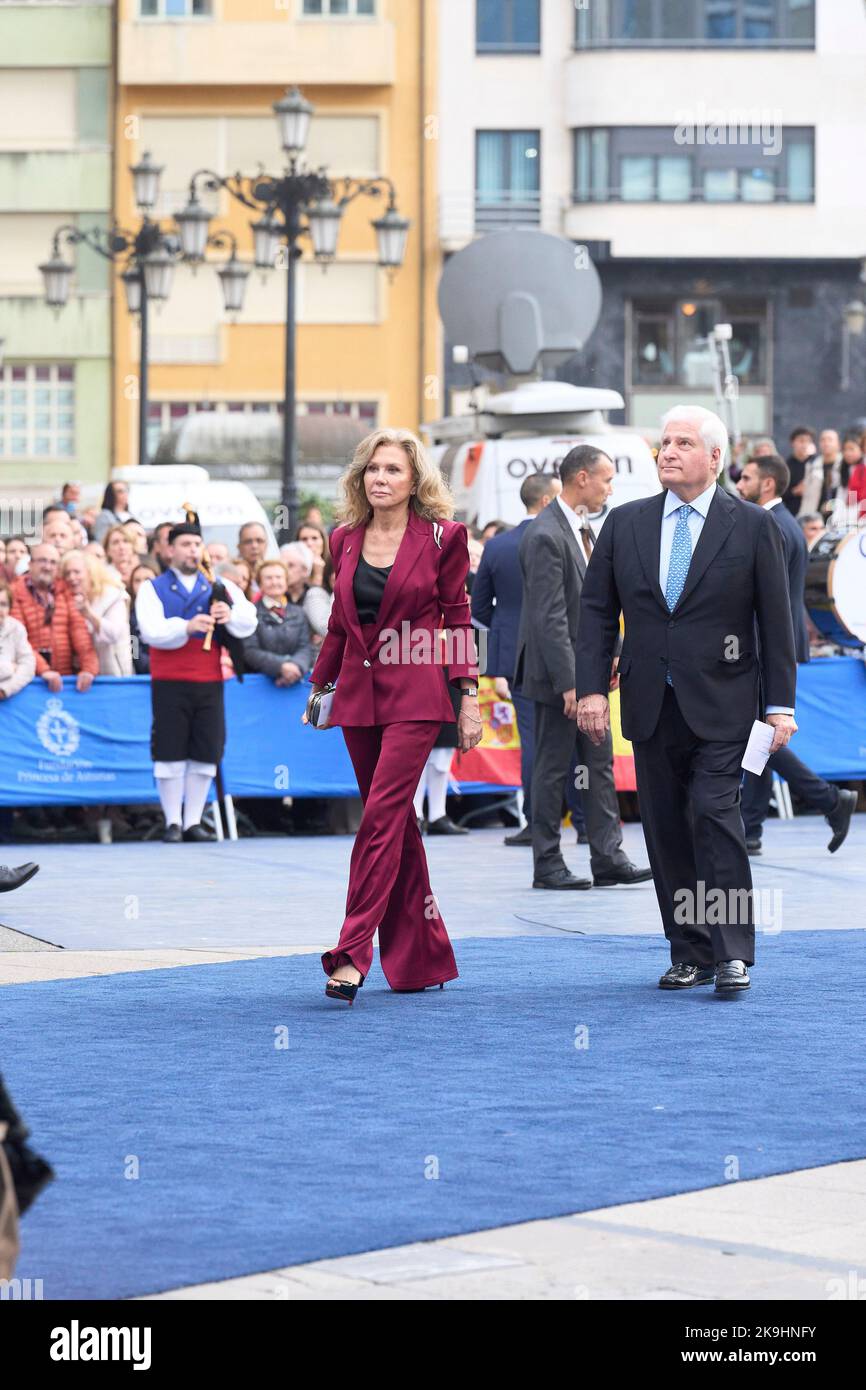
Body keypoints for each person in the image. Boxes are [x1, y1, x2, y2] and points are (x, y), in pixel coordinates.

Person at [576, 405, 797, 994]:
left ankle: (731, 951)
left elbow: (776, 624)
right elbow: (596, 614)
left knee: (714, 815)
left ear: (715, 457)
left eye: (682, 443)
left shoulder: (751, 526)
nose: (667, 452)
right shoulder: (624, 524)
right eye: (663, 442)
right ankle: (690, 950)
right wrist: (593, 688)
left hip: (726, 706)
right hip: (650, 704)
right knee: (666, 829)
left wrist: (781, 706)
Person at [304, 427, 481, 1004]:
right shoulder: (344, 539)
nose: (380, 479)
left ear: (414, 481)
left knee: (379, 819)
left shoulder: (442, 538)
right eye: (372, 470)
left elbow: (457, 618)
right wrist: (319, 686)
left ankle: (351, 953)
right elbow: (338, 620)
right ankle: (421, 956)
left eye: (393, 471)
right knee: (397, 825)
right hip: (358, 696)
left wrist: (468, 696)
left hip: (416, 695)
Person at [514, 446, 651, 891]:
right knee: (552, 770)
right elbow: (549, 618)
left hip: (588, 674)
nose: (611, 489)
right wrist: (570, 684)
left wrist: (613, 651)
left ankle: (608, 857)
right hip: (557, 678)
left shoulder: (582, 529)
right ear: (581, 479)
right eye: (607, 480)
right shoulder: (545, 535)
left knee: (598, 765)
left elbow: (598, 605)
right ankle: (547, 862)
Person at [736, 454, 857, 856]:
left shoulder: (770, 524)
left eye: (747, 478)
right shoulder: (783, 523)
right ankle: (751, 827)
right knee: (759, 736)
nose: (738, 484)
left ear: (767, 484)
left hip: (769, 647)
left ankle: (827, 799)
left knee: (759, 736)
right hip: (775, 645)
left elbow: (765, 598)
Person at [135, 519, 257, 842]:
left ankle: (192, 821)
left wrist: (230, 616)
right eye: (185, 545)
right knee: (169, 750)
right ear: (169, 550)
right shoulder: (153, 588)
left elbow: (249, 620)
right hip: (169, 681)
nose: (192, 551)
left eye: (196, 545)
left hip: (208, 680)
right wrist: (186, 627)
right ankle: (172, 821)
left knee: (206, 750)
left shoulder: (219, 585)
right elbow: (150, 631)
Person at [471, 473, 562, 845]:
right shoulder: (564, 538)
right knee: (573, 740)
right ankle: (586, 824)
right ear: (544, 501)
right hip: (564, 653)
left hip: (516, 658)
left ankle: (536, 822)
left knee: (535, 741)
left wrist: (509, 632)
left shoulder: (497, 546)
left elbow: (478, 609)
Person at [11, 543, 98, 693]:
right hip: (28, 681)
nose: (48, 566)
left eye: (53, 562)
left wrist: (88, 669)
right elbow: (19, 640)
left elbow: (80, 632)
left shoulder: (65, 591)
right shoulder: (14, 593)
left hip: (64, 679)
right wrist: (43, 670)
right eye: (42, 561)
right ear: (30, 564)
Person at [242, 559, 316, 686]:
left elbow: (305, 647)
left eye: (279, 577)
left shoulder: (299, 613)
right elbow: (250, 651)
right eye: (268, 578)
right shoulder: (250, 612)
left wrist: (296, 667)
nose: (274, 582)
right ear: (260, 584)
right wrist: (281, 666)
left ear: (286, 582)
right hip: (260, 685)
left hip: (296, 681)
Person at [60, 550, 132, 677]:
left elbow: (114, 634)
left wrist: (88, 614)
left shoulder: (113, 596)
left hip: (115, 675)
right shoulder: (67, 600)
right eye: (67, 573)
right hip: (84, 676)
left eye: (76, 572)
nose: (71, 577)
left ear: (90, 573)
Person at [0, 578, 36, 699]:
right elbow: (6, 669)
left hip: (9, 700)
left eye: (3, 604)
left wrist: (5, 689)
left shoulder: (16, 628)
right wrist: (9, 668)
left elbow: (28, 666)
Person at [128, 563, 158, 675]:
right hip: (142, 674)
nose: (142, 585)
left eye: (147, 579)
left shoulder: (169, 610)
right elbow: (135, 651)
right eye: (137, 580)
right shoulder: (128, 616)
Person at [782, 425, 817, 516]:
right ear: (792, 442)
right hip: (791, 512)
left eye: (808, 441)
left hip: (813, 512)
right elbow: (779, 493)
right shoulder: (785, 466)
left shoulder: (817, 464)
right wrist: (794, 491)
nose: (804, 445)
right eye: (801, 441)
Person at [237, 522, 268, 597]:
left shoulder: (275, 574)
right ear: (239, 546)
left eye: (259, 540)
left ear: (266, 544)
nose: (254, 546)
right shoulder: (232, 576)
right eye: (248, 541)